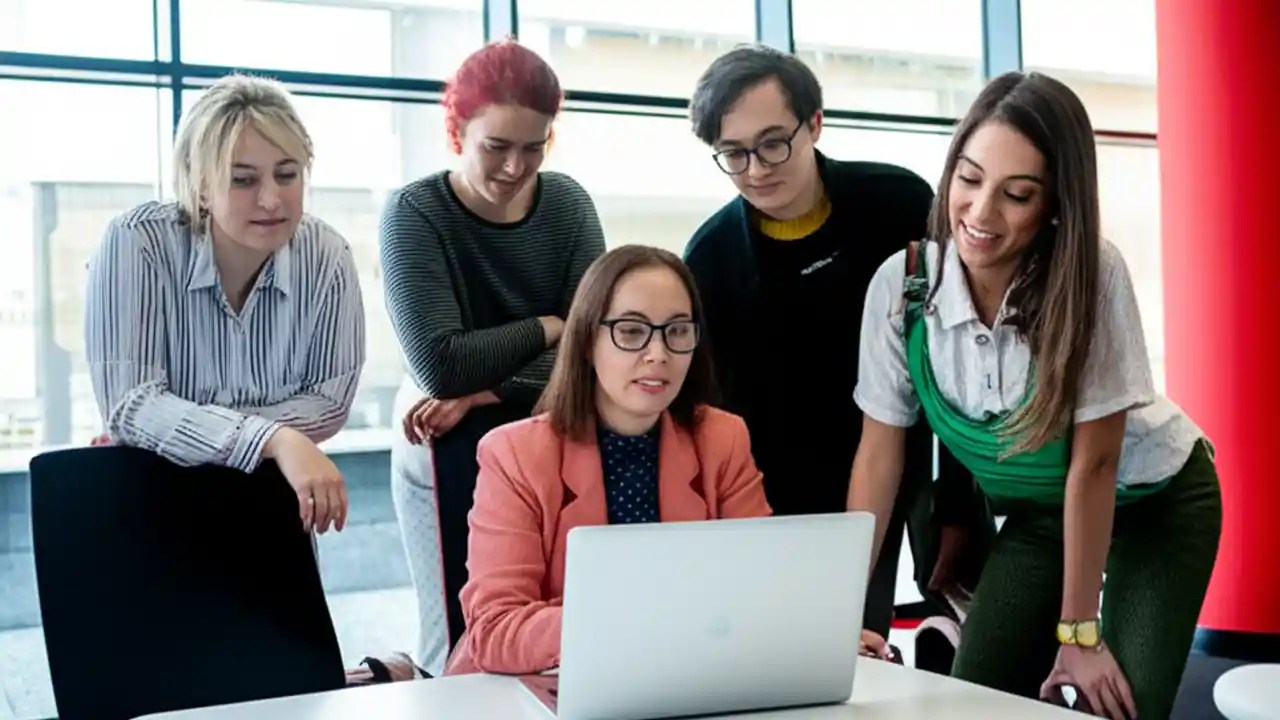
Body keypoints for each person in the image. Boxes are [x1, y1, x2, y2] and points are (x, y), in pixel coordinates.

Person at [848, 71, 1221, 719]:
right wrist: (843, 613)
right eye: (969, 179)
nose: (981, 214)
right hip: (1043, 517)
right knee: (975, 698)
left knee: (1119, 705)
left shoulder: (1090, 278)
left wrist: (1078, 634)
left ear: (1053, 205)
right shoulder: (905, 288)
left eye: (1016, 194)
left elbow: (1094, 464)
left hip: (1154, 504)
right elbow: (880, 459)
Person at [444, 245, 890, 675]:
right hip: (535, 689)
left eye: (677, 330)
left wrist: (819, 632)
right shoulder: (515, 454)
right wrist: (651, 622)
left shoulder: (721, 437)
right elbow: (495, 630)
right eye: (632, 331)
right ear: (585, 342)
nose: (658, 354)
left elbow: (758, 587)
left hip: (683, 677)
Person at [682, 45, 989, 649]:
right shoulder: (711, 258)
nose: (757, 168)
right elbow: (712, 411)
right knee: (815, 647)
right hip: (778, 487)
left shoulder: (897, 203)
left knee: (925, 626)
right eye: (734, 153)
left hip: (905, 456)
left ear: (815, 123)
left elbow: (959, 355)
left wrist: (955, 501)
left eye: (774, 142)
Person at [379, 39, 606, 678]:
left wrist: (490, 388)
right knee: (457, 628)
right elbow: (440, 365)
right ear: (456, 133)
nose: (516, 167)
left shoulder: (567, 206)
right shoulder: (415, 212)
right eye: (496, 147)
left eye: (533, 147)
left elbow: (596, 346)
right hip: (441, 430)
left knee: (551, 620)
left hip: (546, 420)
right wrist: (552, 324)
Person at [84, 73, 366, 536]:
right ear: (198, 185)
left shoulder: (328, 256)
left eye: (287, 174)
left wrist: (185, 427)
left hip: (267, 506)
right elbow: (131, 405)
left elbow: (329, 402)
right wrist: (274, 437)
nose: (271, 198)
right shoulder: (137, 243)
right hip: (147, 505)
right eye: (243, 180)